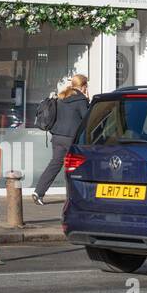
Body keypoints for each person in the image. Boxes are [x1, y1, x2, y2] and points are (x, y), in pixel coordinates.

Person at [33, 73, 90, 206]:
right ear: (83, 86)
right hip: (71, 138)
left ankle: (39, 192)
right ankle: (73, 197)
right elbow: (87, 118)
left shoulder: (63, 96)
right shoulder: (80, 100)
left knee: (55, 164)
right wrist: (88, 100)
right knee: (74, 167)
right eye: (86, 85)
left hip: (57, 137)